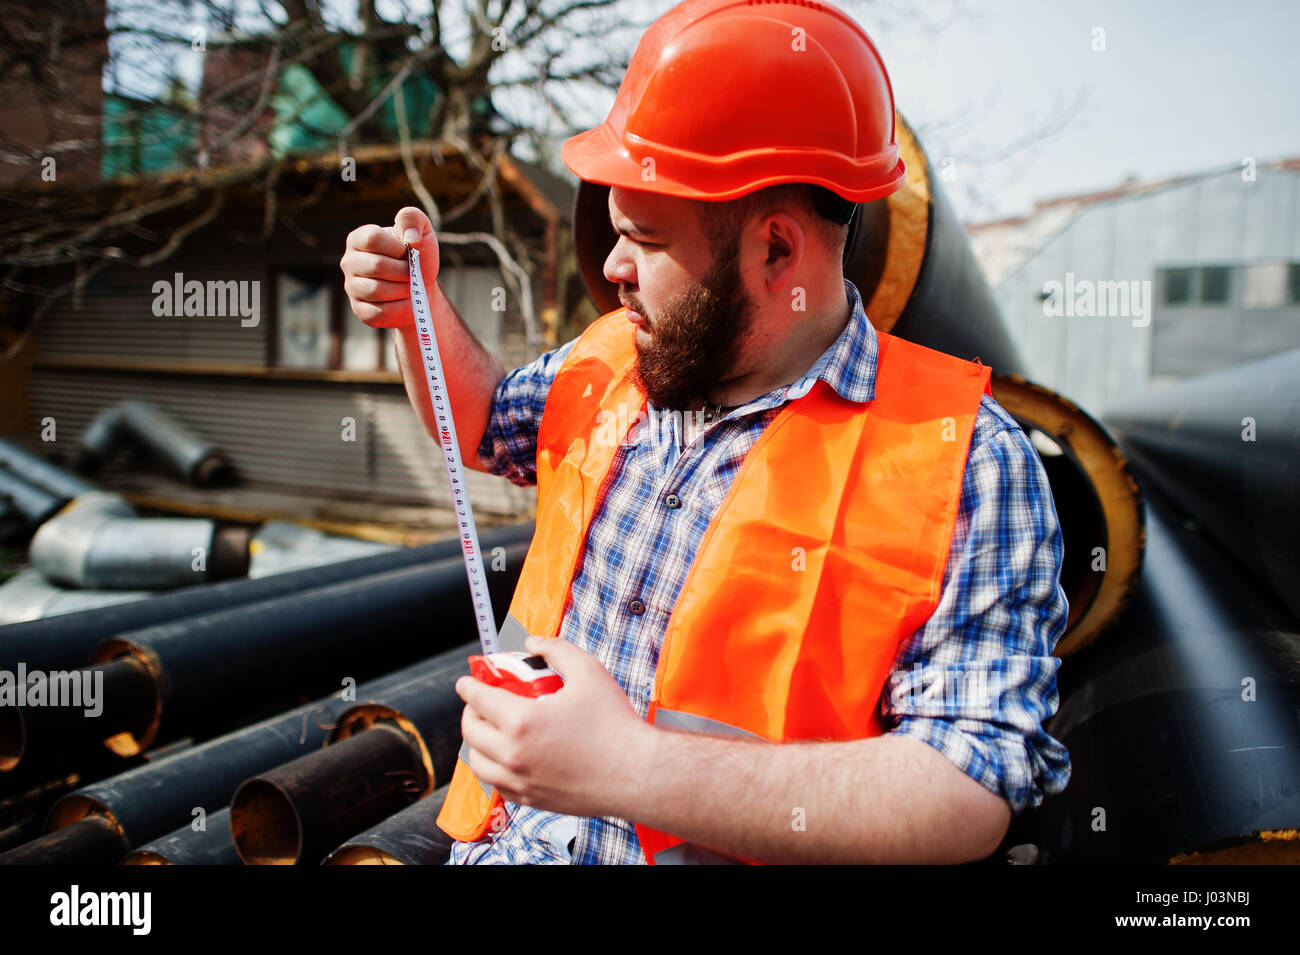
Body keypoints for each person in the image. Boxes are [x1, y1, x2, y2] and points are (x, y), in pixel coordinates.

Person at [339, 0, 1070, 864]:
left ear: (775, 253)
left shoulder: (967, 463)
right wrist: (418, 317)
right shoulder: (617, 356)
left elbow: (967, 787)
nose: (611, 270)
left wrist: (629, 767)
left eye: (642, 238)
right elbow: (485, 428)